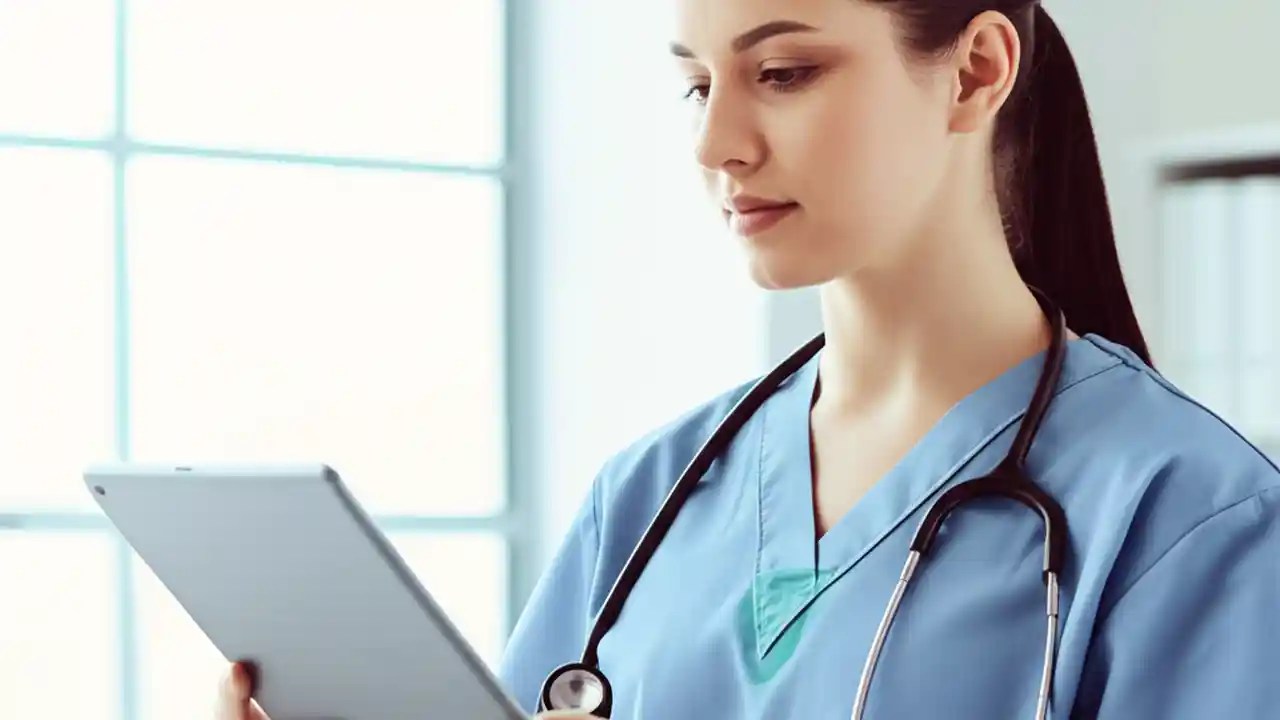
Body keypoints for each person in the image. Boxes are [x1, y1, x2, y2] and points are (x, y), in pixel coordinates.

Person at [216, 0, 1280, 718]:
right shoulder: (652, 492)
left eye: (781, 71)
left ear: (972, 71)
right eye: (695, 87)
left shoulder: (1189, 516)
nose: (714, 141)